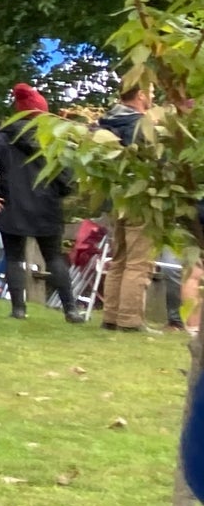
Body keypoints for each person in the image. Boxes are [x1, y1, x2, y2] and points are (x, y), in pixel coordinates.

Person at [0, 81, 81, 323]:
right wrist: (59, 192)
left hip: (12, 204)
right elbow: (68, 175)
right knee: (54, 257)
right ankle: (70, 310)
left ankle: (18, 309)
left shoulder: (4, 137)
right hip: (47, 205)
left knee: (15, 257)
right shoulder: (54, 138)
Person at [100, 81, 155, 332]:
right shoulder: (139, 126)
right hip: (140, 198)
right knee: (139, 261)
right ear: (141, 95)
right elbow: (156, 161)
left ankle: (111, 316)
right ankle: (131, 320)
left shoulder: (105, 123)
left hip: (114, 199)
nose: (153, 97)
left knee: (119, 257)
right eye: (151, 92)